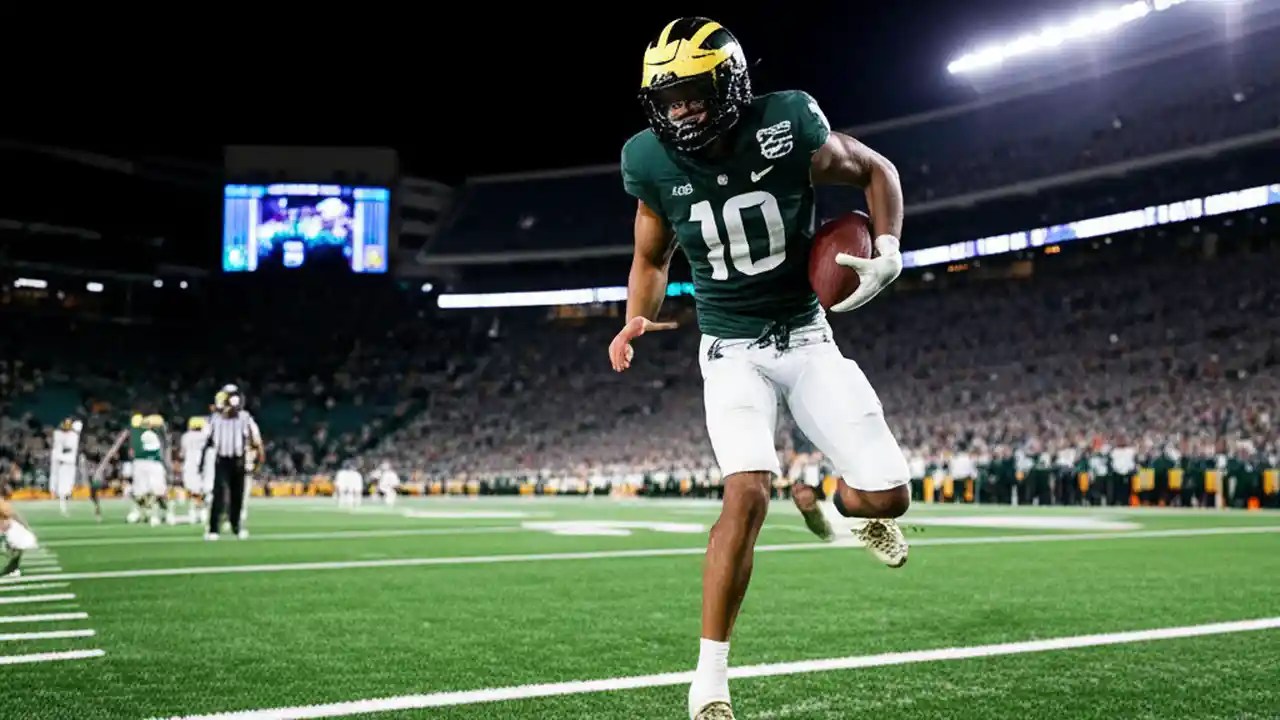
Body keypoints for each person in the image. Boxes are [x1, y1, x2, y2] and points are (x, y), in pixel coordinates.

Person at [608, 17, 911, 720]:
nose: (680, 107)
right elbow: (652, 258)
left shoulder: (788, 123)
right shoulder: (649, 161)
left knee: (890, 495)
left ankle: (844, 513)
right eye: (669, 95)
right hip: (730, 349)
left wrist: (889, 245)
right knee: (745, 492)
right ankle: (709, 682)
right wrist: (637, 314)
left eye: (693, 91)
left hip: (806, 334)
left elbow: (876, 170)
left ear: (731, 82)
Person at [204, 385, 263, 540]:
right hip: (221, 459)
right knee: (220, 495)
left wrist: (257, 461)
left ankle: (236, 526)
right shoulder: (215, 419)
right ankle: (213, 528)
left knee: (238, 495)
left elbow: (255, 440)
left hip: (238, 460)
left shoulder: (245, 418)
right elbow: (207, 440)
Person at [49, 417, 82, 516]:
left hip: (70, 463)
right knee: (62, 488)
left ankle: (66, 503)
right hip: (62, 463)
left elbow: (79, 424)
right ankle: (63, 507)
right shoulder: (59, 435)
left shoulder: (74, 435)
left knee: (69, 486)